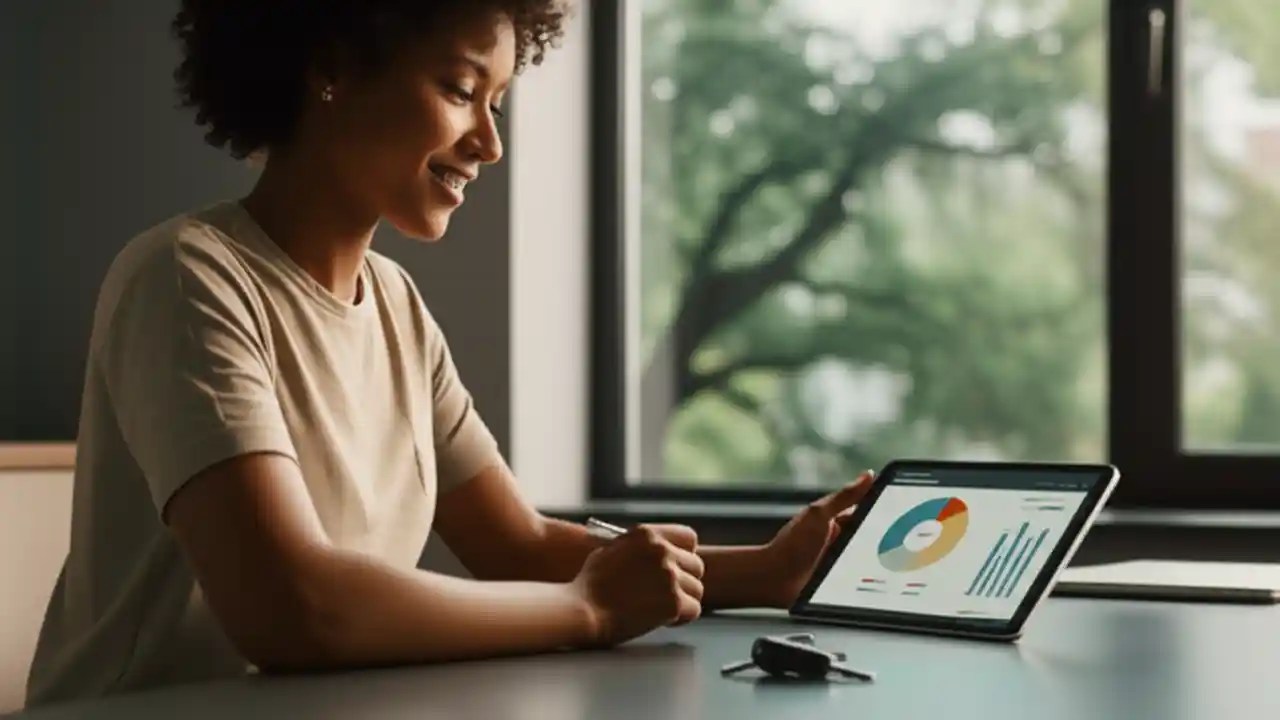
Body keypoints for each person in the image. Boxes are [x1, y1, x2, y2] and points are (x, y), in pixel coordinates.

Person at [26, 0, 870, 706]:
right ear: (333, 65)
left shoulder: (395, 304)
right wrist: (588, 612)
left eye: (496, 101)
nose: (489, 143)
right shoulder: (187, 277)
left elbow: (518, 544)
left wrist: (759, 572)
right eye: (462, 90)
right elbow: (292, 609)